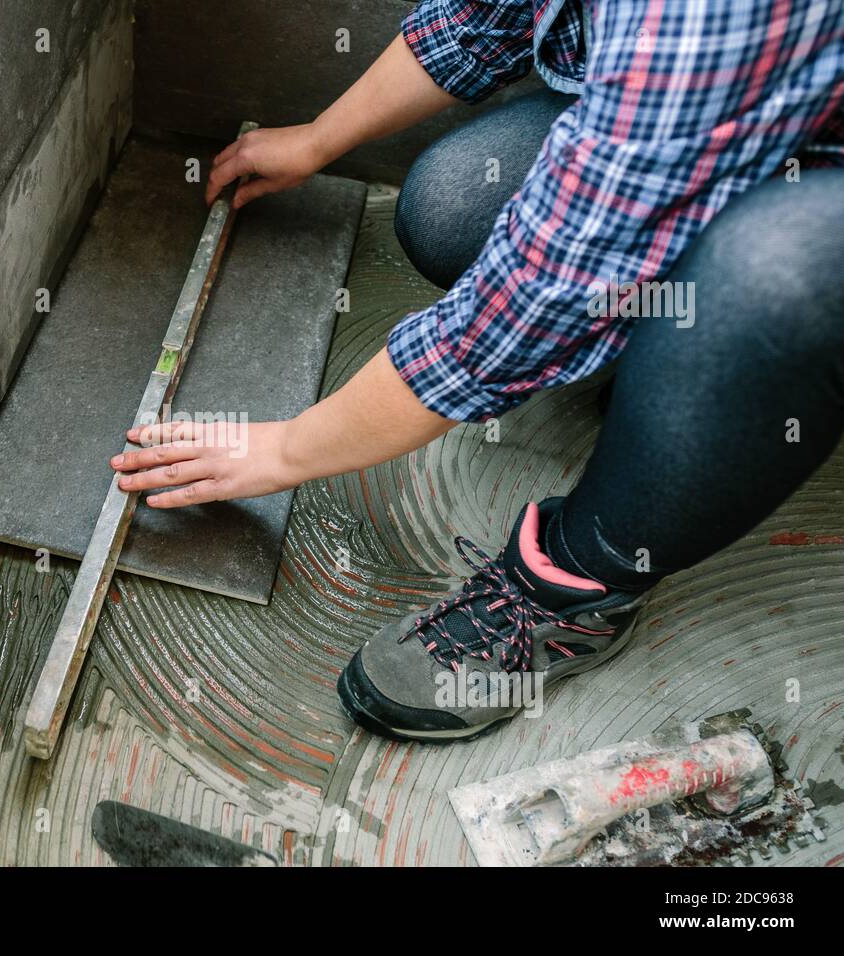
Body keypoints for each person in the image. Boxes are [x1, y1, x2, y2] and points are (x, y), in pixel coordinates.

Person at [109, 0, 844, 741]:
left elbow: (529, 297)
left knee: (772, 282)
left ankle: (578, 589)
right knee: (453, 206)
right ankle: (676, 347)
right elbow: (485, 15)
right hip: (762, 119)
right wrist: (318, 138)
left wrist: (289, 448)